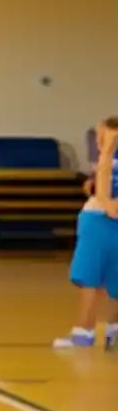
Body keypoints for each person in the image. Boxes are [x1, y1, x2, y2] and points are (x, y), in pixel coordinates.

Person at [55, 118, 118, 349]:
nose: (98, 141)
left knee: (96, 277)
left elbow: (105, 199)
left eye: (103, 137)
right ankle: (100, 329)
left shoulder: (108, 161)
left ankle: (89, 331)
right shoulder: (104, 164)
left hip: (101, 223)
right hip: (98, 221)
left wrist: (108, 153)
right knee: (100, 277)